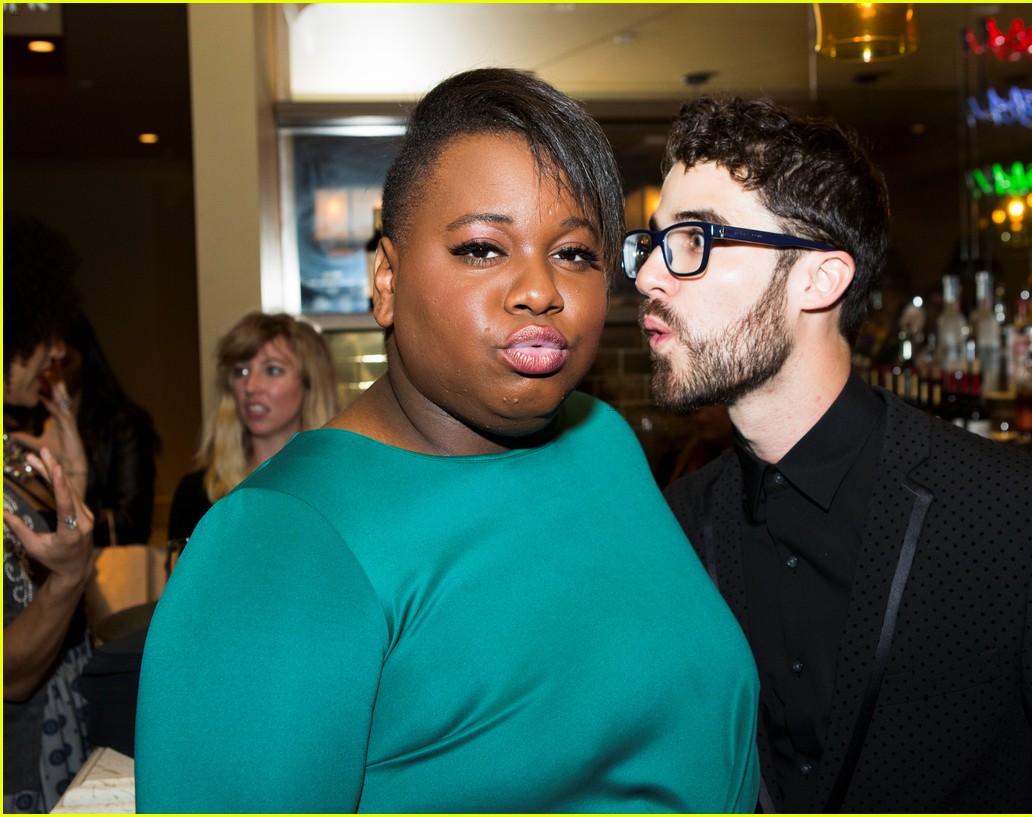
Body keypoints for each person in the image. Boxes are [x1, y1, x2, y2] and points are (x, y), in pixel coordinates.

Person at [136, 68, 759, 813]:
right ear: (386, 280)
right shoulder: (277, 544)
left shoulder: (603, 442)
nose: (540, 290)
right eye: (482, 248)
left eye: (574, 254)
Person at [626, 96, 1032, 811]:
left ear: (819, 279)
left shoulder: (1028, 520)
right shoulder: (676, 523)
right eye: (652, 242)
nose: (648, 275)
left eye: (693, 239)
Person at [3, 213, 95, 812]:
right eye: (42, 331)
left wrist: (74, 481)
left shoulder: (13, 450)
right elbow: (8, 678)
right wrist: (68, 577)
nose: (58, 350)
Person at [166, 312, 338, 542]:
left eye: (272, 370)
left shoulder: (337, 489)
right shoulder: (195, 494)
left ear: (310, 384)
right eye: (241, 371)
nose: (250, 386)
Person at [58, 316, 161, 547]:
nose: (52, 373)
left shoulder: (122, 424)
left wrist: (60, 518)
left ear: (84, 358)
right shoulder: (28, 424)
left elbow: (134, 522)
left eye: (63, 361)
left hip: (106, 560)